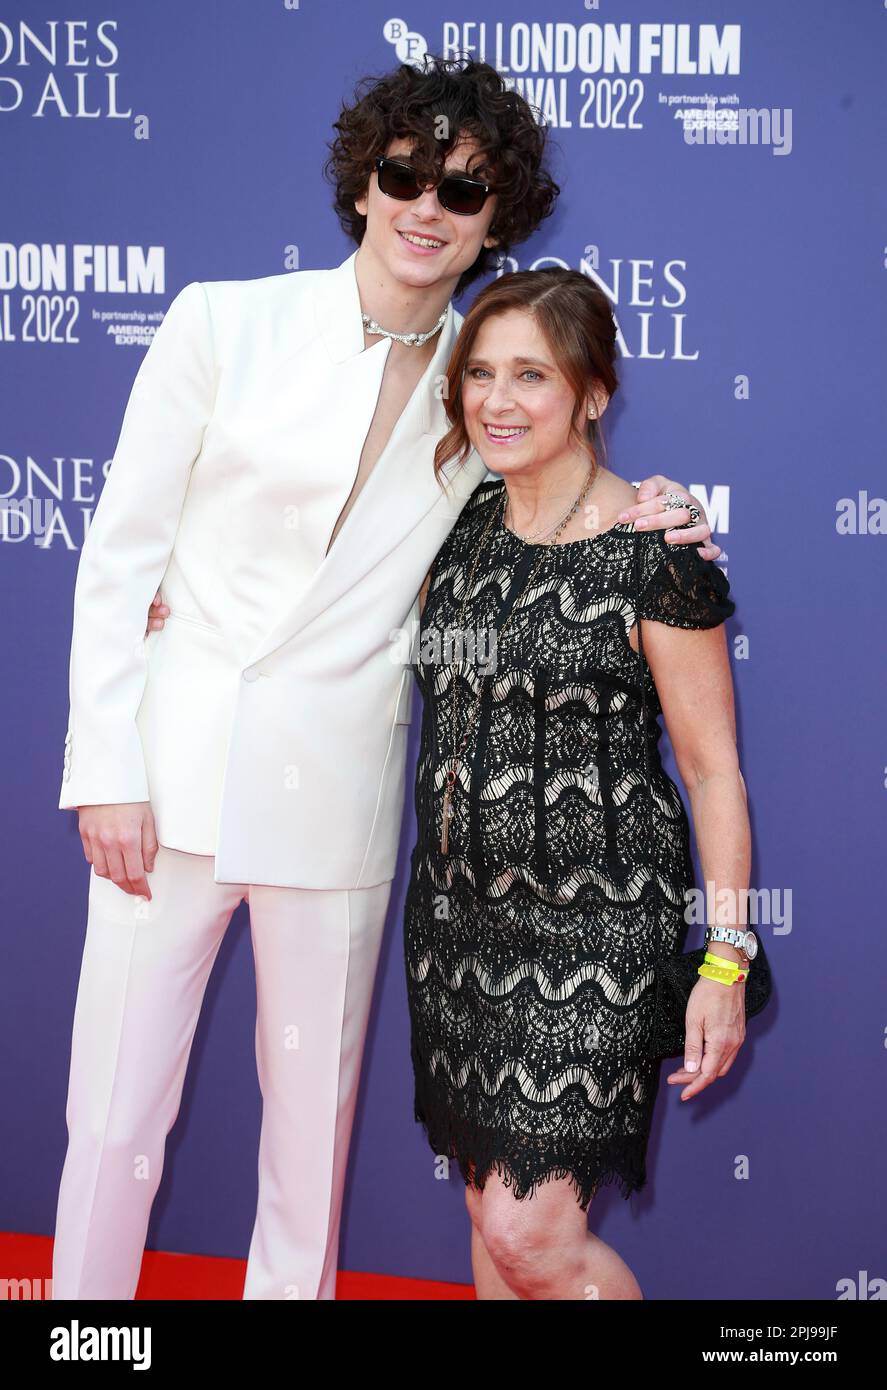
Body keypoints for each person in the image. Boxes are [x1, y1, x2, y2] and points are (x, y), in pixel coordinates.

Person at [55, 55, 719, 1301]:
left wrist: (662, 510)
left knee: (307, 1163)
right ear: (361, 182)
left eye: (460, 189)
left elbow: (565, 488)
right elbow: (118, 555)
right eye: (402, 173)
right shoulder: (221, 320)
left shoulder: (491, 384)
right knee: (111, 1130)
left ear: (494, 216)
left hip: (338, 810)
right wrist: (107, 769)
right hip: (170, 789)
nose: (426, 205)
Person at [403, 266, 750, 1300]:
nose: (496, 401)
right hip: (457, 926)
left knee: (530, 1234)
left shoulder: (656, 551)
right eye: (478, 374)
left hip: (596, 934)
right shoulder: (447, 525)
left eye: (531, 376)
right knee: (485, 1213)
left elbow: (711, 770)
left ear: (592, 392)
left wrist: (723, 960)